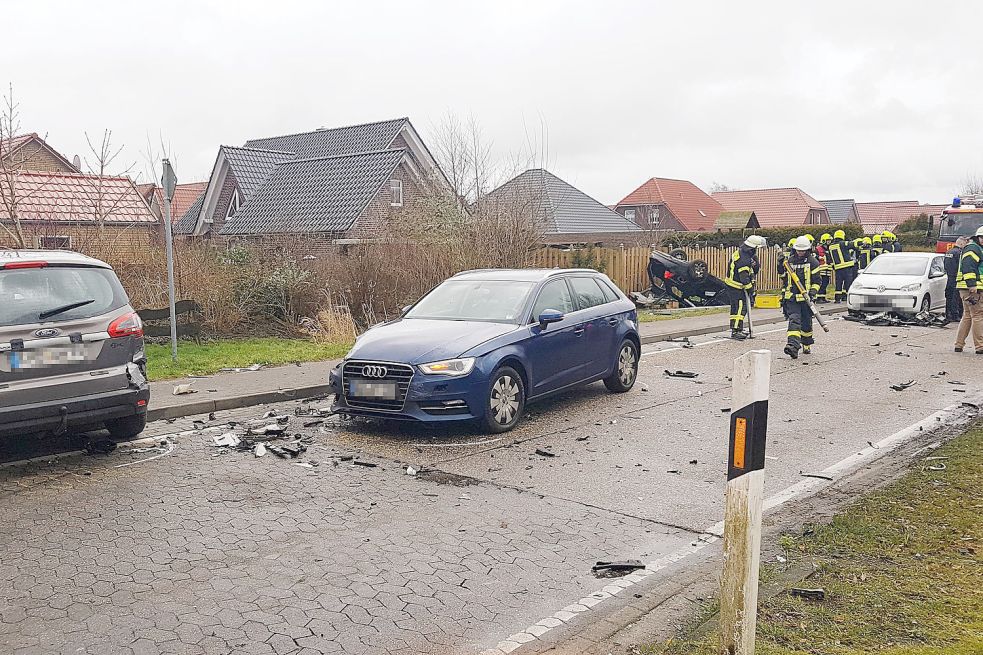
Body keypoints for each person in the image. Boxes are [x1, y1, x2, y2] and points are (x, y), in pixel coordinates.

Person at [780, 236, 821, 359]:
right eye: (798, 250)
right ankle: (792, 346)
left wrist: (812, 292)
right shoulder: (790, 261)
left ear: (807, 250)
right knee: (794, 320)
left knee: (806, 323)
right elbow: (783, 277)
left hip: (806, 299)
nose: (800, 252)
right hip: (792, 298)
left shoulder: (813, 262)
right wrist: (780, 263)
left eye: (802, 250)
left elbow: (817, 281)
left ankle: (807, 343)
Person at [724, 235, 767, 340]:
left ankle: (737, 328)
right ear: (752, 248)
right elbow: (744, 278)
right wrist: (750, 289)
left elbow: (752, 270)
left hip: (733, 284)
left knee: (736, 308)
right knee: (740, 308)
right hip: (737, 286)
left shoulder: (742, 253)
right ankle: (736, 330)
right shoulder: (744, 259)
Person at [954, 227, 983, 354]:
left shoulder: (973, 247)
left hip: (965, 288)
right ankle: (980, 346)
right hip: (972, 288)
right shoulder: (974, 248)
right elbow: (968, 266)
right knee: (977, 315)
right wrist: (972, 285)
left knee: (967, 316)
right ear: (978, 237)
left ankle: (959, 344)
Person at [827, 229, 857, 303]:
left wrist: (833, 266)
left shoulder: (831, 246)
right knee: (848, 283)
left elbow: (830, 258)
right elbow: (852, 244)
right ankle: (848, 299)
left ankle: (837, 299)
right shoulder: (843, 243)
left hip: (837, 268)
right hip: (847, 267)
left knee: (838, 284)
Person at [944, 237, 968, 322]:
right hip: (957, 278)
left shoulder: (948, 252)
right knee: (955, 297)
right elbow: (961, 266)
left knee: (949, 296)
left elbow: (945, 265)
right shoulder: (960, 253)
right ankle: (955, 315)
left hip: (949, 277)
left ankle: (948, 314)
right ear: (961, 244)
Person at [816, 233, 833, 303]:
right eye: (828, 240)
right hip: (821, 269)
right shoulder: (818, 249)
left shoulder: (830, 248)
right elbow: (815, 257)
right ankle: (819, 298)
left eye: (830, 240)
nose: (829, 242)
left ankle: (823, 297)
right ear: (823, 240)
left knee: (826, 283)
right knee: (821, 283)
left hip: (828, 269)